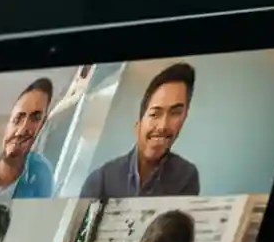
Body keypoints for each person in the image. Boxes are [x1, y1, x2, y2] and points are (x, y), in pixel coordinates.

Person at [80, 63, 201, 198]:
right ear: (138, 125)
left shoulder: (186, 176)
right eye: (155, 114)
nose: (163, 126)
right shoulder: (101, 180)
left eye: (175, 113)